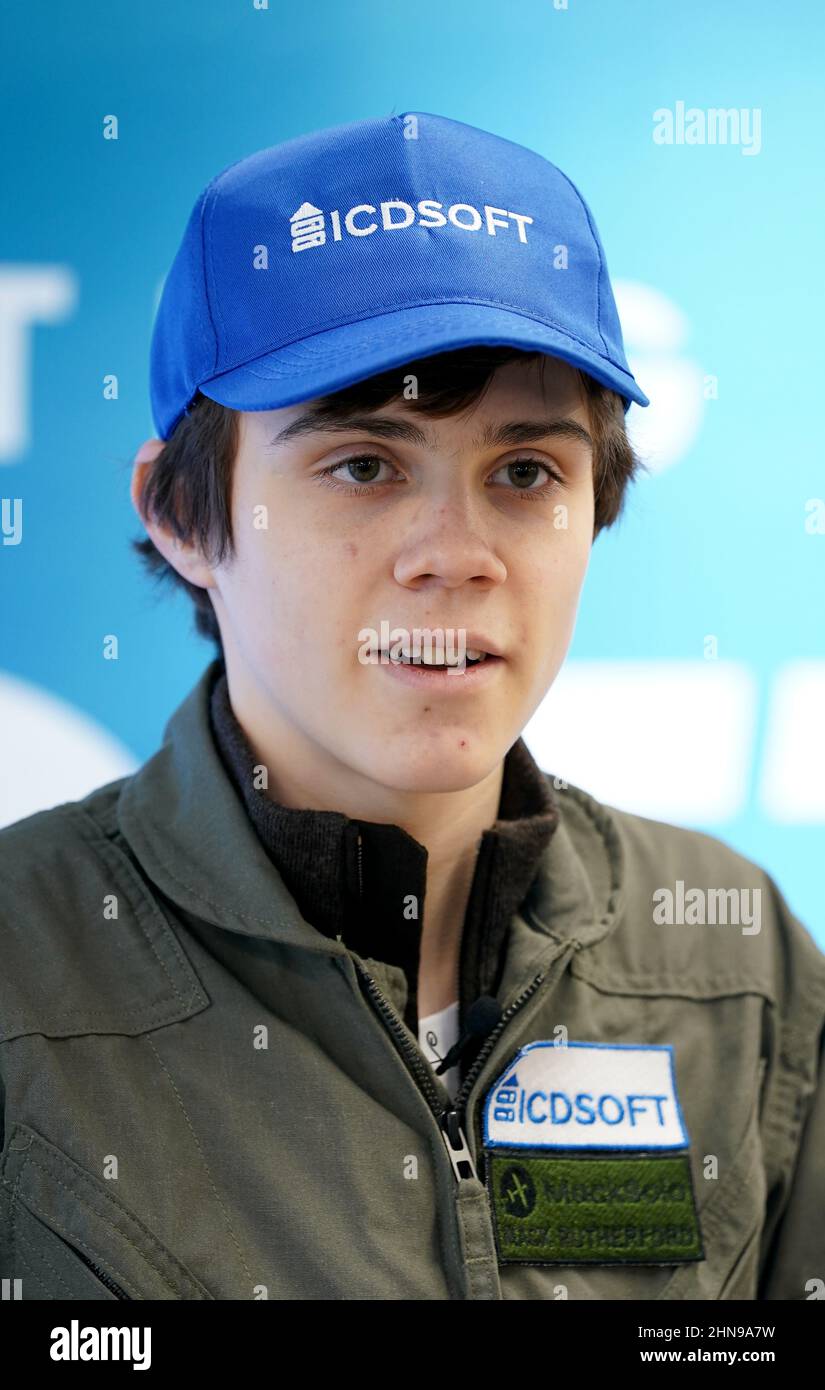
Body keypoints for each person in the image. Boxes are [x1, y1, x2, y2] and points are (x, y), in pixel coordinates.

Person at [1, 112, 823, 1302]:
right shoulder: (24, 971)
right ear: (185, 518)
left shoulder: (737, 962)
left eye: (525, 473)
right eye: (365, 466)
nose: (457, 552)